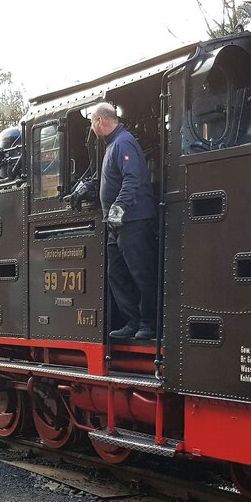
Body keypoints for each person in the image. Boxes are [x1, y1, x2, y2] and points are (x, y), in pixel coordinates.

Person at [90, 101, 158, 340]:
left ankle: (149, 324)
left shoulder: (124, 142)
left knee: (141, 273)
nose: (92, 128)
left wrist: (117, 212)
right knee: (117, 273)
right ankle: (132, 320)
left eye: (92, 123)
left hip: (134, 220)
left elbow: (133, 179)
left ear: (100, 121)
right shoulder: (113, 145)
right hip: (117, 224)